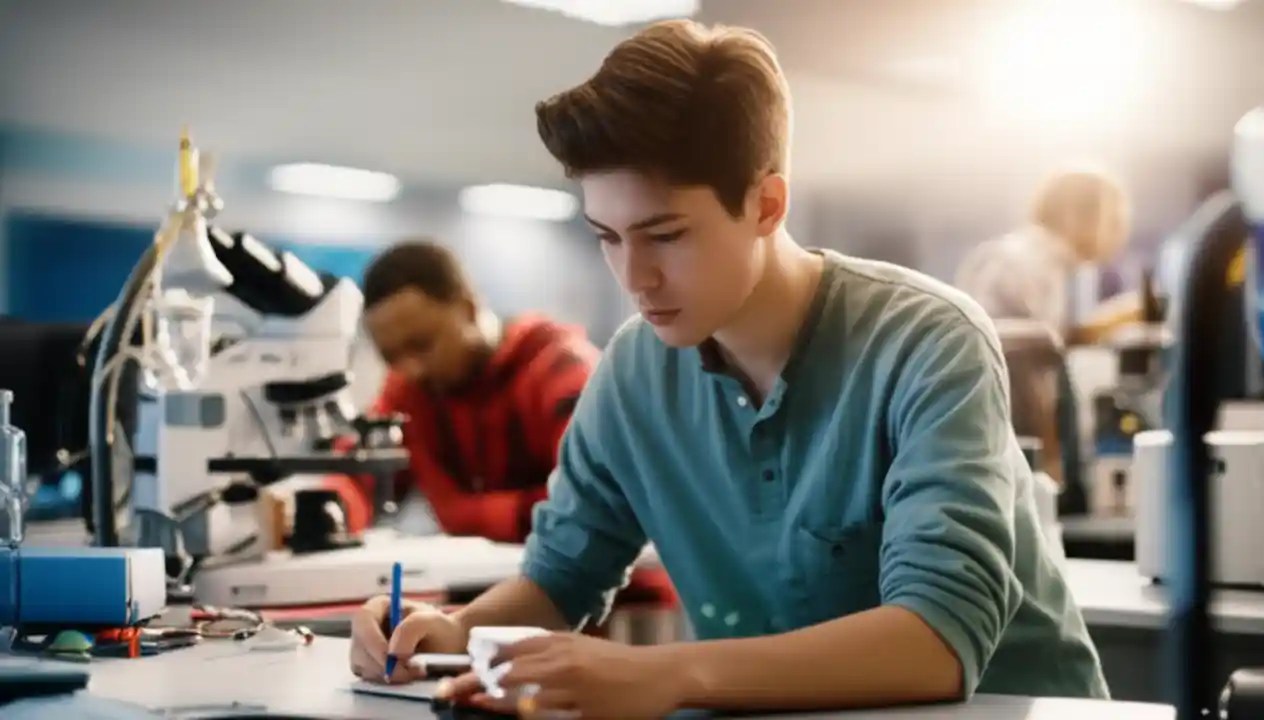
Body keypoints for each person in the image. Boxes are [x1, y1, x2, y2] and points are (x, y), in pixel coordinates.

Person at [348, 20, 1108, 717]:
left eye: (665, 235)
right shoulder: (632, 376)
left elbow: (937, 644)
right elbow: (557, 582)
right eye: (607, 237)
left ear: (767, 204)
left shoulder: (929, 344)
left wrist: (670, 673)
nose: (632, 278)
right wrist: (447, 630)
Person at [328, 239, 598, 543]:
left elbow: (596, 502)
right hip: (496, 583)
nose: (410, 369)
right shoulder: (410, 393)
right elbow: (358, 473)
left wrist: (465, 515)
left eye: (422, 345)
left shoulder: (560, 369)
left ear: (469, 308)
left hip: (617, 586)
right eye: (391, 357)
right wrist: (324, 511)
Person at [954, 166, 1137, 348]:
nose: (1122, 236)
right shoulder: (1017, 263)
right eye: (1114, 221)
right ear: (1074, 214)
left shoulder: (1052, 268)